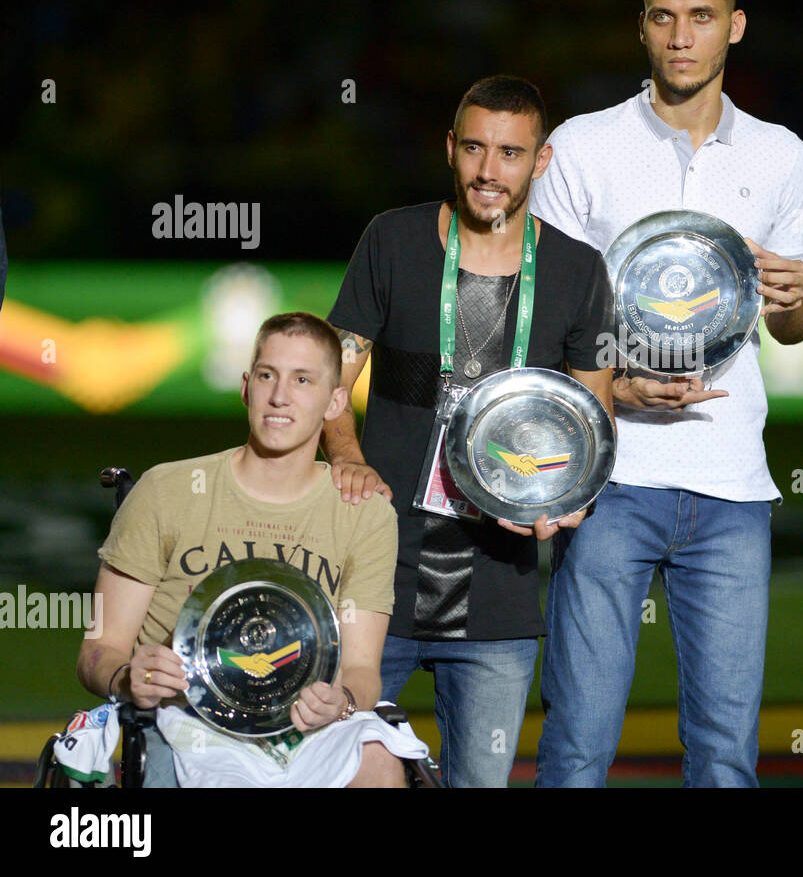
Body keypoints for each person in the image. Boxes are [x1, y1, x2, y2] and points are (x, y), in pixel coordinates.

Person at [528, 0, 803, 787]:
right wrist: (614, 388)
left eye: (699, 17)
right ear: (642, 28)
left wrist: (796, 300)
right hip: (607, 477)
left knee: (727, 755)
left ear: (735, 27)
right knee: (578, 744)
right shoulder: (582, 146)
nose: (681, 36)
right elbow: (545, 324)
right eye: (663, 17)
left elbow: (791, 328)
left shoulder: (781, 156)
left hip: (733, 485)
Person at [324, 75, 615, 787]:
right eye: (476, 149)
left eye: (511, 153)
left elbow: (591, 425)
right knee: (334, 775)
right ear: (451, 149)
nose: (490, 171)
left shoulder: (579, 270)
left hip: (498, 595)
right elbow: (334, 378)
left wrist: (563, 501)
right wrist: (347, 458)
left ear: (540, 162)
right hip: (375, 578)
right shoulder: (392, 238)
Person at [76, 311, 423, 787]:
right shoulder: (165, 490)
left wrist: (340, 701)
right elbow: (98, 650)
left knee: (381, 760)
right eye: (267, 376)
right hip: (187, 719)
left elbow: (362, 671)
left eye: (303, 379)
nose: (280, 396)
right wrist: (125, 677)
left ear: (334, 401)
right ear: (246, 387)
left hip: (305, 724)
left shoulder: (364, 514)